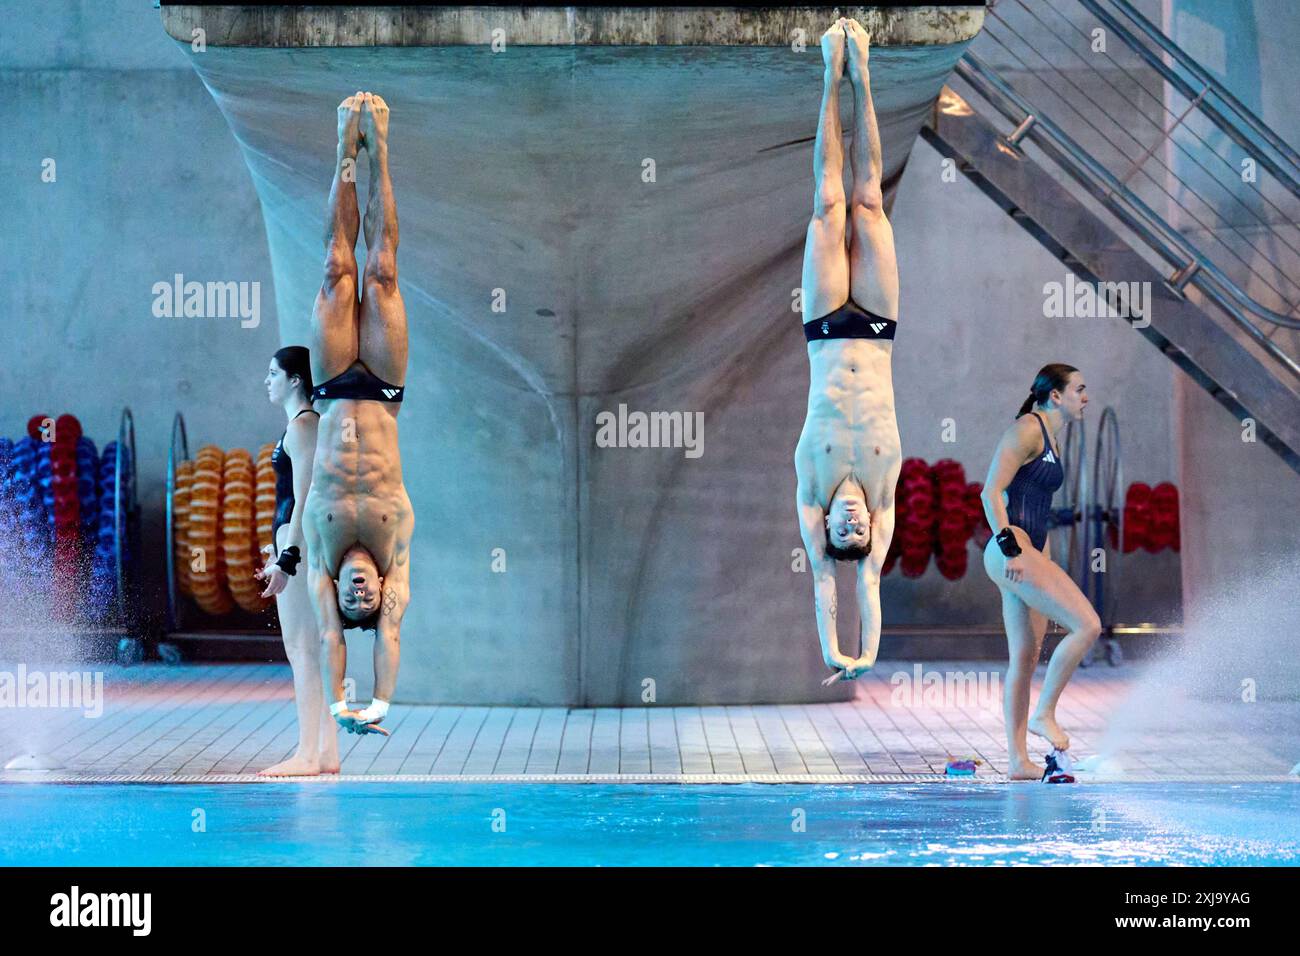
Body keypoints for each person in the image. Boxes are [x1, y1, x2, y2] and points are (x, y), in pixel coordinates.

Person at [300, 91, 413, 735]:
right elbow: (388, 637)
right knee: (384, 271)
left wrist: (342, 703)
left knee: (337, 269)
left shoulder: (321, 558)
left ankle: (346, 151)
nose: (359, 594)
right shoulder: (395, 556)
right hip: (386, 388)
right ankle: (385, 152)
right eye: (366, 599)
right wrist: (380, 704)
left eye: (354, 600)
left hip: (334, 385)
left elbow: (330, 644)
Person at [794, 19, 901, 685]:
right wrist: (869, 654)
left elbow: (832, 588)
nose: (854, 520)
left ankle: (832, 73)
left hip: (827, 329)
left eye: (843, 528)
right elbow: (870, 586)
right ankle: (865, 77)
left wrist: (835, 648)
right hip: (881, 326)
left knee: (830, 204)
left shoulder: (813, 488)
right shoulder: (883, 496)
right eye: (858, 530)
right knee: (870, 204)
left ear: (826, 523)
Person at [980, 363, 1101, 780]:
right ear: (1055, 395)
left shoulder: (1053, 437)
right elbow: (990, 491)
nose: (1085, 397)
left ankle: (1017, 762)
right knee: (1087, 625)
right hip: (1010, 550)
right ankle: (1045, 713)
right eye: (1079, 390)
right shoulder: (1027, 430)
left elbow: (1036, 505)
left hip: (1027, 549)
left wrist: (1040, 559)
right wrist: (1011, 549)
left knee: (1025, 657)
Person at [255, 346, 338, 775]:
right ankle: (325, 752)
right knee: (305, 648)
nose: (266, 381)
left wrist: (288, 559)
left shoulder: (305, 426)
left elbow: (304, 496)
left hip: (299, 548)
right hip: (294, 545)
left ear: (294, 380)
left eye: (273, 373)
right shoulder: (299, 426)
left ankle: (309, 753)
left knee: (302, 649)